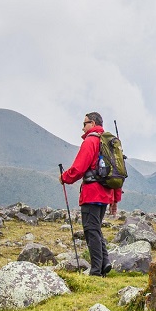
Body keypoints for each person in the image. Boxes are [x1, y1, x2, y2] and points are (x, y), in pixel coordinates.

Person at [61, 112, 121, 275]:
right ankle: (104, 263)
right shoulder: (109, 143)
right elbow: (117, 171)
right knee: (95, 228)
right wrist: (115, 198)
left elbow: (79, 168)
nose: (83, 127)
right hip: (106, 194)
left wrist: (64, 178)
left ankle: (96, 270)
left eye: (85, 123)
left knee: (91, 230)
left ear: (93, 123)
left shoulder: (91, 141)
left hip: (92, 193)